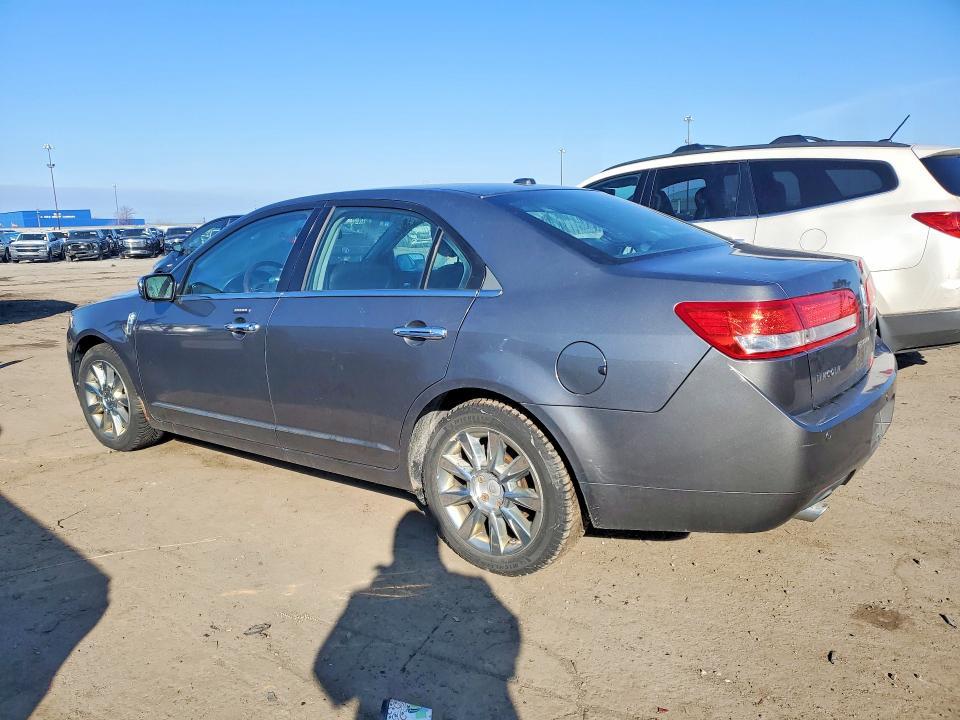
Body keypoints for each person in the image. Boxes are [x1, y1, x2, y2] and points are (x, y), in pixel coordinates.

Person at [314, 510, 519, 719]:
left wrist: (360, 697)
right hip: (486, 703)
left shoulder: (363, 598)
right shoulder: (476, 586)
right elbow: (509, 628)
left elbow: (323, 668)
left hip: (422, 703)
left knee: (392, 711)